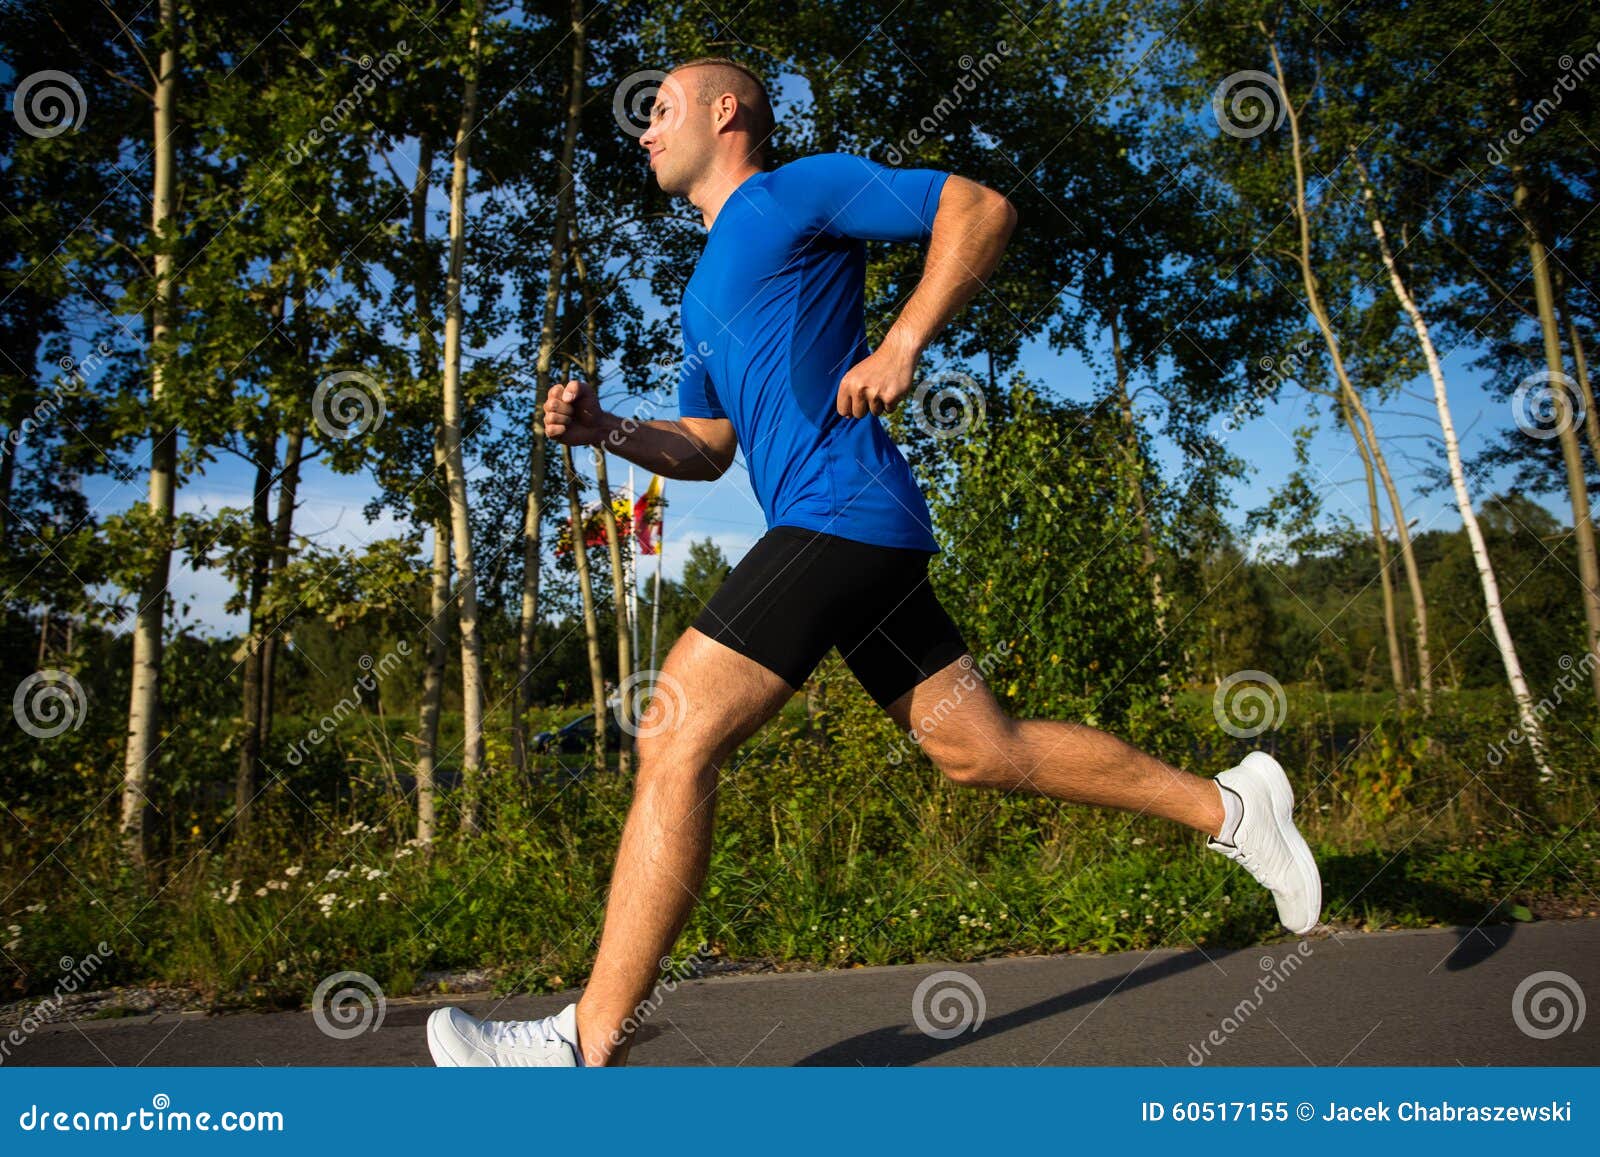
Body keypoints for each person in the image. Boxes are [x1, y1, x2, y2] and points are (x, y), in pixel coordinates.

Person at [426, 57, 1320, 1068]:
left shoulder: (789, 192)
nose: (642, 131)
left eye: (660, 109)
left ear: (727, 112)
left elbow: (979, 208)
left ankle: (582, 1042)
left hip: (837, 515)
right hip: (852, 529)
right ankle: (1232, 804)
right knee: (984, 749)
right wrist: (609, 426)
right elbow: (709, 447)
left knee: (675, 728)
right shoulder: (702, 289)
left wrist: (902, 342)